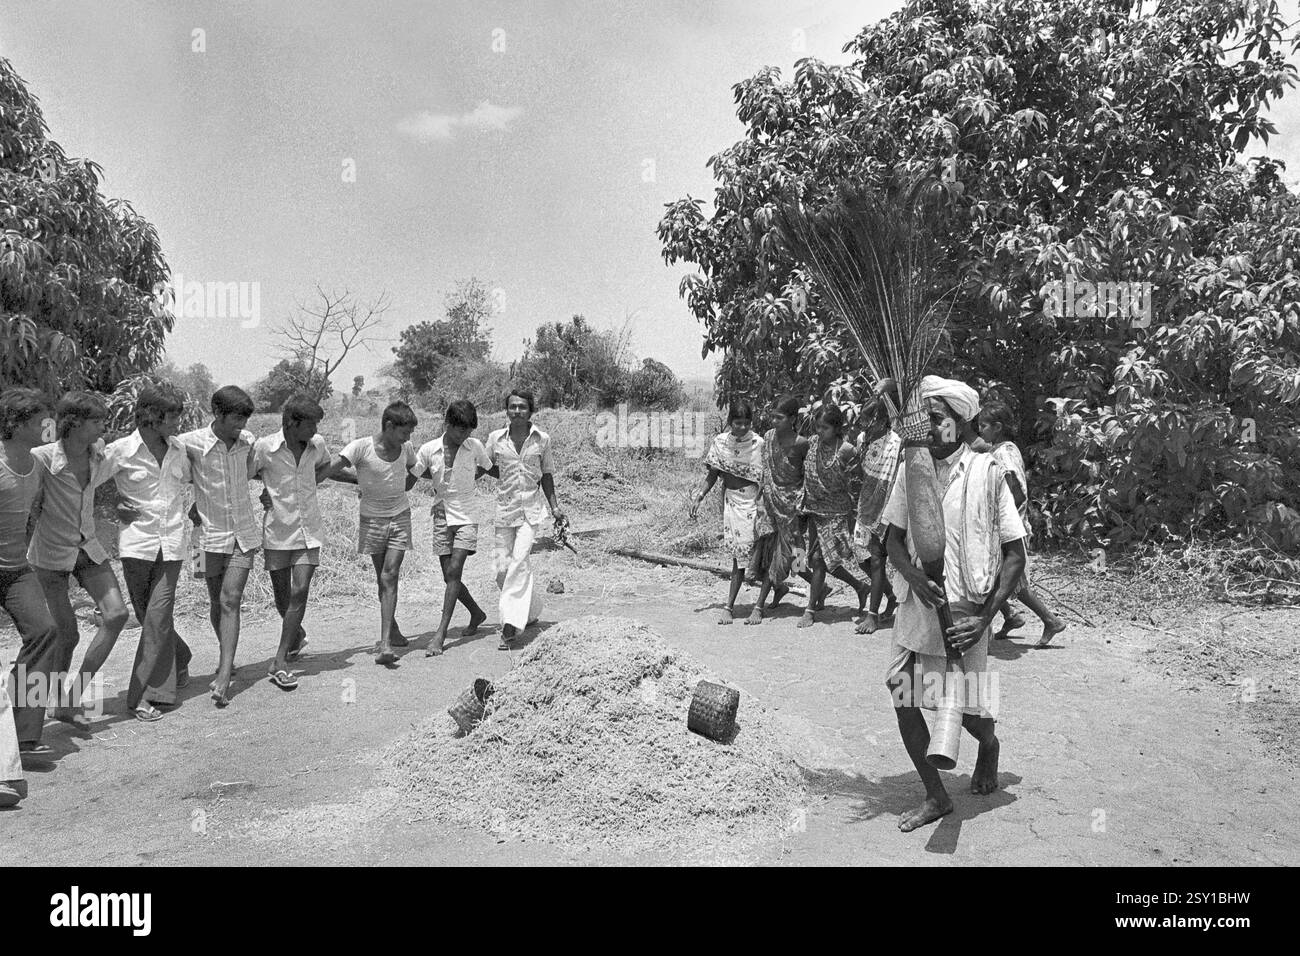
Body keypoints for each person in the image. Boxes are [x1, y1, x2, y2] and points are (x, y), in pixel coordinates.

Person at [882, 375, 1027, 832]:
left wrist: (985, 619)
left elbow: (1015, 555)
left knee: (964, 712)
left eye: (938, 420)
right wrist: (912, 578)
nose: (929, 428)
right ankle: (936, 794)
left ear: (961, 423)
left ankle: (989, 745)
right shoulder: (912, 469)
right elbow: (892, 540)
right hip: (918, 608)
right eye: (924, 419)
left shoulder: (988, 474)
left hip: (968, 615)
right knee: (902, 693)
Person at [27, 391, 128, 731]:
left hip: (87, 549)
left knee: (116, 615)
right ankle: (34, 715)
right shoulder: (41, 459)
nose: (104, 426)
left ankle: (70, 701)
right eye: (97, 421)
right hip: (50, 556)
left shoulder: (98, 455)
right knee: (63, 635)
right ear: (73, 424)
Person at [103, 383, 194, 721]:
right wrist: (113, 506)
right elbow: (86, 486)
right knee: (148, 617)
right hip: (136, 545)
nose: (177, 424)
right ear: (151, 418)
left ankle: (145, 695)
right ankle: (180, 656)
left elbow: (195, 481)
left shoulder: (180, 450)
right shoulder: (120, 451)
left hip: (172, 545)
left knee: (156, 617)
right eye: (172, 418)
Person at [179, 385, 260, 706]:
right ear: (218, 413)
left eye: (244, 419)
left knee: (231, 600)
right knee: (215, 601)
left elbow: (253, 472)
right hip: (206, 538)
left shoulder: (249, 442)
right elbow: (176, 472)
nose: (240, 425)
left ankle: (225, 672)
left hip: (245, 534)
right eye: (235, 419)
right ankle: (227, 658)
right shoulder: (190, 443)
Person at [251, 394, 331, 689]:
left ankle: (279, 661)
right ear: (290, 424)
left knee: (300, 591)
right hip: (277, 531)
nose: (314, 430)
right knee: (283, 598)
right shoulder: (264, 449)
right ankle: (295, 635)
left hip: (309, 530)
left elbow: (325, 466)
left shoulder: (317, 445)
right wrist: (266, 491)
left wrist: (309, 482)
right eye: (309, 424)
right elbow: (247, 473)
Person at [330, 401, 419, 665]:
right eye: (404, 432)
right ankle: (392, 629)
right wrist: (360, 480)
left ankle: (385, 645)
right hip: (372, 520)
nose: (408, 438)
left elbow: (414, 470)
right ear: (389, 426)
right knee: (383, 579)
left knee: (390, 575)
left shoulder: (406, 448)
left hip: (400, 516)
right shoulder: (360, 447)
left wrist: (404, 486)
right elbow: (331, 470)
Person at [0, 387, 58, 785]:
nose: (47, 427)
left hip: (16, 571)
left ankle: (24, 735)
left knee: (45, 632)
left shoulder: (36, 465)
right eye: (40, 421)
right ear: (18, 424)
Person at [978, 400, 1065, 646]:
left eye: (984, 426)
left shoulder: (1003, 453)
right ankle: (1011, 615)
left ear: (997, 427)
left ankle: (1049, 620)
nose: (981, 431)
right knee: (997, 578)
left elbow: (1014, 490)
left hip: (1008, 529)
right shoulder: (1005, 448)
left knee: (1011, 581)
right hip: (1008, 526)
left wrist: (999, 514)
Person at [484, 390, 564, 649]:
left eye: (522, 407)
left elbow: (548, 474)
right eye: (512, 407)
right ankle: (531, 610)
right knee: (500, 570)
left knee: (519, 563)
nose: (517, 411)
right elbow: (486, 466)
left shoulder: (542, 439)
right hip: (504, 511)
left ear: (531, 410)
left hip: (531, 511)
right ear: (506, 410)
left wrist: (555, 508)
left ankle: (510, 625)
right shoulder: (495, 439)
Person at [412, 399, 493, 656]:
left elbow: (488, 469)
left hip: (468, 515)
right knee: (449, 576)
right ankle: (476, 612)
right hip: (441, 515)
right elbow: (415, 474)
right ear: (447, 424)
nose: (465, 435)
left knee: (455, 570)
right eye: (460, 430)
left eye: (469, 430)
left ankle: (440, 634)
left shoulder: (475, 447)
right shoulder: (427, 450)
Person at [689, 401, 766, 624]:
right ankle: (738, 604)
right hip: (732, 502)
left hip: (753, 502)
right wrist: (700, 495)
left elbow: (765, 477)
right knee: (741, 555)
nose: (742, 428)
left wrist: (763, 503)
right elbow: (713, 474)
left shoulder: (758, 443)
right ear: (729, 421)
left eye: (746, 423)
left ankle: (730, 606)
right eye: (737, 423)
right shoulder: (721, 443)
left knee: (752, 555)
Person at [798, 404, 869, 628]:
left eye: (825, 428)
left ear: (836, 428)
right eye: (818, 427)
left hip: (836, 512)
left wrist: (858, 516)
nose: (820, 431)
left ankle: (810, 610)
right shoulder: (811, 444)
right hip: (812, 509)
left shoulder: (846, 449)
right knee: (810, 560)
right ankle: (859, 586)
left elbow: (856, 483)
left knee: (821, 560)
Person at [747, 395, 813, 624]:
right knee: (770, 553)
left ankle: (816, 585)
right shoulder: (768, 438)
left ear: (793, 419)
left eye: (780, 417)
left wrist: (804, 505)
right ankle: (760, 605)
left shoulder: (802, 444)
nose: (774, 421)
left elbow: (809, 475)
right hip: (769, 504)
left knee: (794, 556)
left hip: (792, 507)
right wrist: (759, 497)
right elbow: (765, 472)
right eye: (772, 416)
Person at [852, 398, 900, 635]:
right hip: (866, 505)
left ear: (883, 421)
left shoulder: (897, 443)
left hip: (889, 507)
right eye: (862, 420)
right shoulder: (862, 440)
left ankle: (873, 616)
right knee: (861, 557)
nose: (865, 426)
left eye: (869, 421)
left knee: (878, 558)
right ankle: (890, 595)